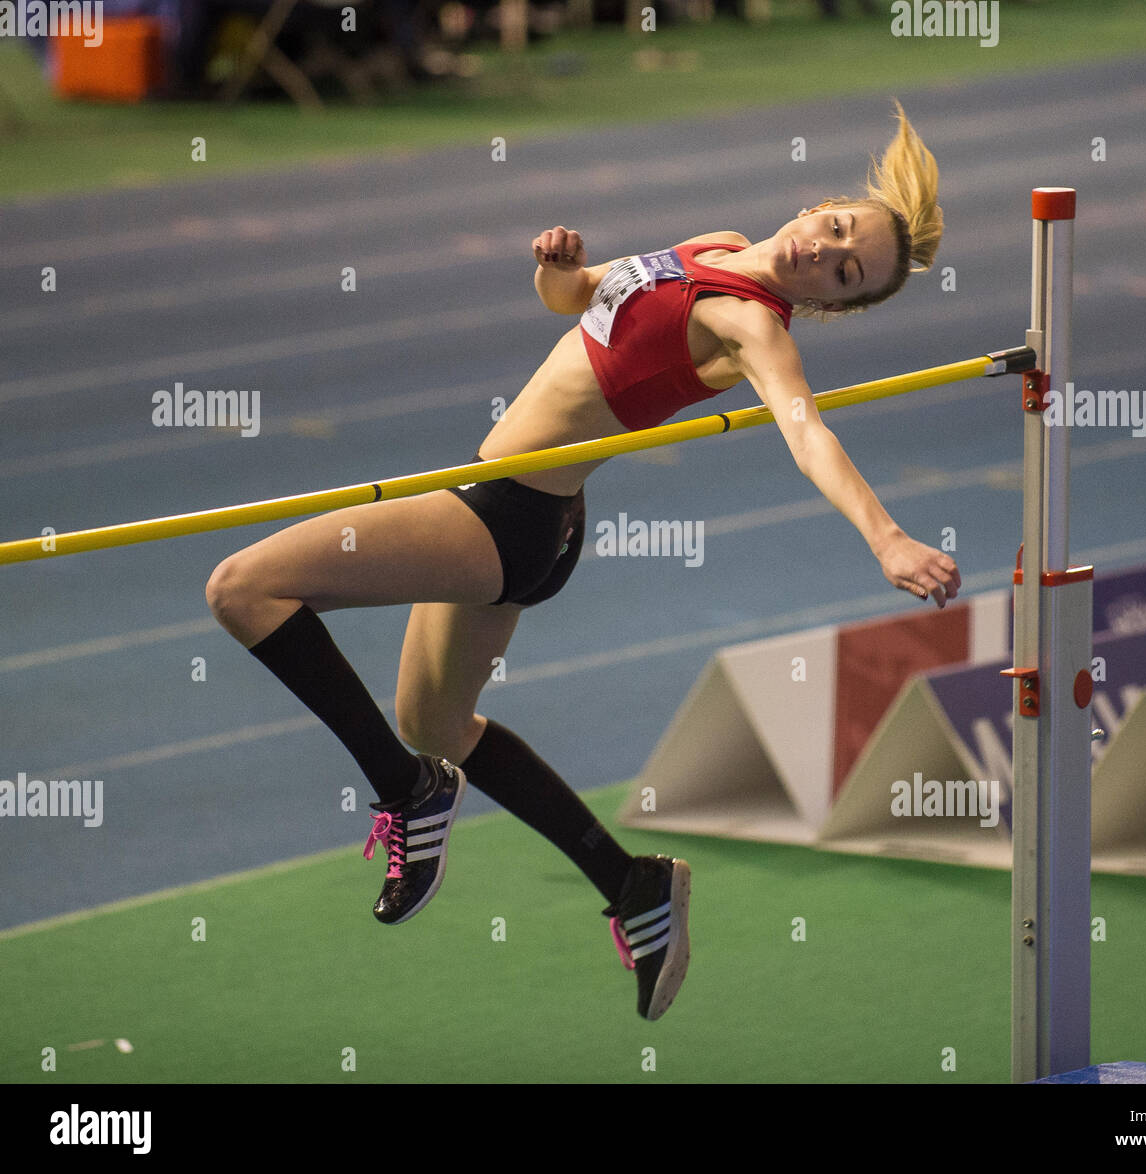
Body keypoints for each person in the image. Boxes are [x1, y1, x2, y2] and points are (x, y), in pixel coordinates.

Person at [204, 100, 957, 1022]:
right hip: (523, 515)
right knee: (434, 723)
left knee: (244, 588)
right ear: (818, 206)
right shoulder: (712, 243)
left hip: (506, 517)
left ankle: (407, 797)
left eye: (847, 274)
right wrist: (557, 269)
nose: (826, 255)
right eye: (838, 232)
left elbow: (805, 433)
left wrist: (886, 536)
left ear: (833, 305)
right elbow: (579, 302)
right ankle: (632, 883)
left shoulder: (752, 327)